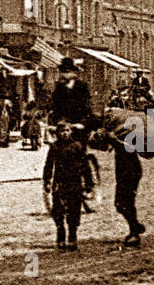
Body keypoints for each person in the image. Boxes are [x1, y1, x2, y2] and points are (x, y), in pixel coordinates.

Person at [42, 121, 94, 251]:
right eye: (62, 131)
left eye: (67, 131)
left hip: (74, 182)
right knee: (58, 211)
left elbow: (85, 166)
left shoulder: (77, 146)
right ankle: (61, 236)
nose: (65, 133)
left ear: (71, 132)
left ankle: (72, 237)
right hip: (59, 183)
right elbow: (49, 165)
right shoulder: (54, 147)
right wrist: (47, 181)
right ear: (57, 133)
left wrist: (88, 183)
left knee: (74, 210)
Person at [99, 106, 145, 247]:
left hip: (130, 171)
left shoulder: (127, 139)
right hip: (126, 171)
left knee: (123, 202)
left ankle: (134, 232)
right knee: (124, 202)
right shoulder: (121, 136)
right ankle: (135, 227)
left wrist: (114, 139)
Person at [50, 58, 94, 130]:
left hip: (79, 122)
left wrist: (83, 123)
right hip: (63, 124)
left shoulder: (81, 86)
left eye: (68, 71)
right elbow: (55, 106)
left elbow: (87, 106)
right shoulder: (59, 87)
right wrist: (59, 121)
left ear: (73, 72)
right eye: (63, 71)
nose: (65, 74)